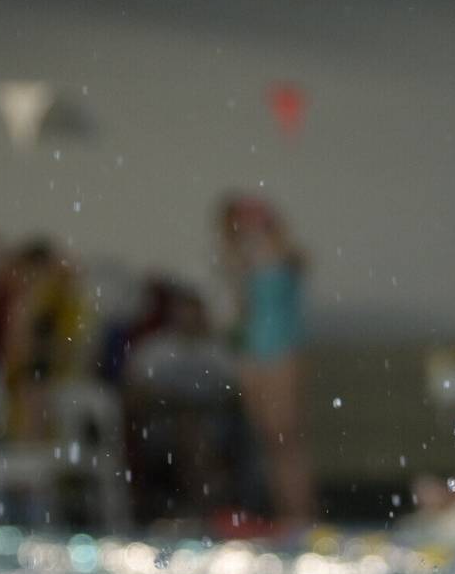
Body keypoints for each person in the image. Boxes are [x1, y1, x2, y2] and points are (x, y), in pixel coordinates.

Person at [216, 192, 314, 526]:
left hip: (280, 350)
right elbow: (239, 312)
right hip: (253, 352)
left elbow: (297, 265)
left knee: (285, 438)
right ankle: (285, 514)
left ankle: (300, 515)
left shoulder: (283, 254)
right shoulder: (239, 259)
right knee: (268, 440)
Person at [112, 279, 242, 522]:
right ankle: (207, 506)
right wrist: (174, 405)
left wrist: (197, 407)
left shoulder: (219, 352)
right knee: (187, 431)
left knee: (194, 432)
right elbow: (133, 396)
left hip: (216, 431)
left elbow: (237, 397)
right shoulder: (153, 351)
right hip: (161, 431)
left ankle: (203, 508)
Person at [0, 237, 88, 441]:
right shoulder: (14, 298)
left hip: (44, 370)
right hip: (22, 369)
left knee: (34, 385)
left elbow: (56, 346)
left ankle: (33, 443)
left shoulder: (55, 299)